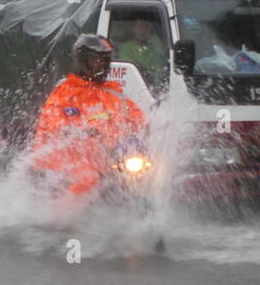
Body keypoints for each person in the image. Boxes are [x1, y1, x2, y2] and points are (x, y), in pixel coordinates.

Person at [31, 34, 148, 196]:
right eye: (96, 60)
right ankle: (61, 219)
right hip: (64, 164)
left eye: (105, 61)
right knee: (88, 179)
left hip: (110, 160)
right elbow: (55, 126)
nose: (102, 65)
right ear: (82, 61)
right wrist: (83, 132)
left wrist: (149, 130)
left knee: (148, 173)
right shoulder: (64, 94)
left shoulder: (114, 93)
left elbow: (138, 118)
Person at [113, 16, 167, 88]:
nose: (143, 30)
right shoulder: (125, 47)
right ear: (133, 29)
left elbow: (161, 73)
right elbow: (128, 70)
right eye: (140, 26)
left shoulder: (155, 51)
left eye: (146, 27)